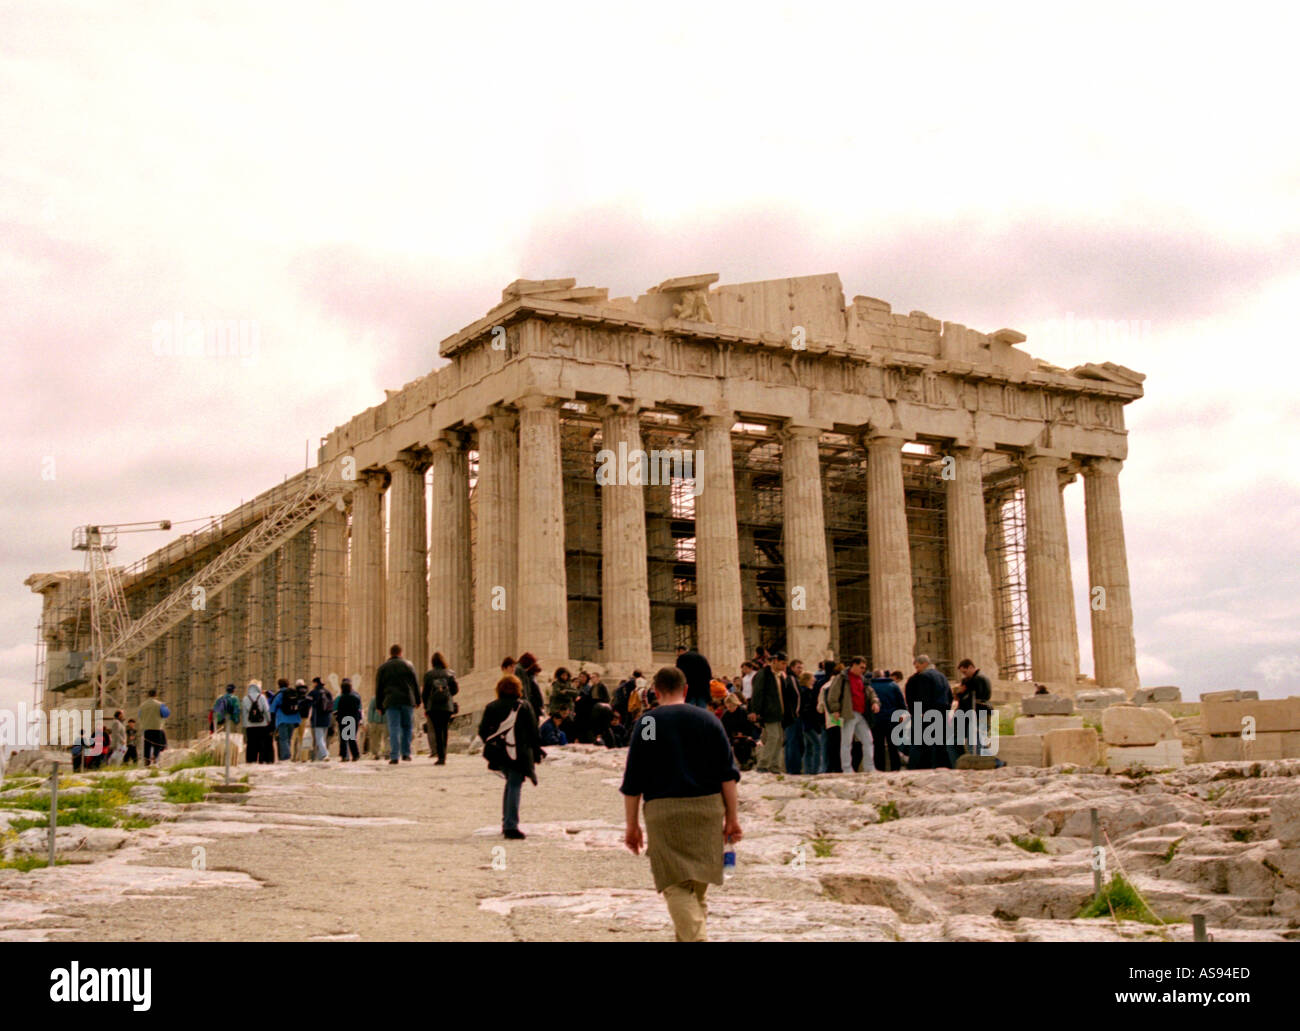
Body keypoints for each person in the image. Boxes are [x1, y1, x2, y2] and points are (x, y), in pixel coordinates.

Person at [620, 666, 742, 942]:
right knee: (695, 888)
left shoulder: (649, 723)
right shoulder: (708, 719)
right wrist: (732, 818)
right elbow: (727, 775)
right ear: (686, 690)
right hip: (707, 809)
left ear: (656, 692)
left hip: (665, 810)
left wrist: (632, 825)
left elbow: (635, 776)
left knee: (675, 885)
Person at [478, 674, 541, 839]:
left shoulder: (492, 706)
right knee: (514, 785)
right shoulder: (524, 706)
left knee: (510, 784)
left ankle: (507, 821)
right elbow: (534, 732)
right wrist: (536, 753)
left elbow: (483, 731)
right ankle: (510, 826)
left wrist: (495, 743)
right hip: (518, 753)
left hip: (500, 753)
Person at [825, 656, 879, 773]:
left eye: (864, 668)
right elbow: (833, 695)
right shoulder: (842, 678)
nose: (863, 670)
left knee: (868, 740)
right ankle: (847, 769)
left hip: (861, 714)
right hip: (848, 713)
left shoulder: (862, 679)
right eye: (861, 667)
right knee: (846, 742)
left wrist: (875, 702)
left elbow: (871, 693)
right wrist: (835, 710)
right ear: (854, 665)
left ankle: (869, 767)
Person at [905, 654, 954, 770]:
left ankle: (925, 766)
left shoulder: (924, 676)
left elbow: (924, 696)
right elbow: (949, 695)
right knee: (941, 742)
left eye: (917, 667)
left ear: (924, 664)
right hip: (943, 711)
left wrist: (921, 711)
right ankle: (944, 765)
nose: (917, 670)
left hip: (930, 711)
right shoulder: (942, 676)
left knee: (927, 741)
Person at [376, 644, 421, 764]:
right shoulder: (408, 665)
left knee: (394, 727)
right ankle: (406, 754)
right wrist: (418, 700)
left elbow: (379, 688)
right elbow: (415, 684)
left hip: (391, 701)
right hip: (407, 700)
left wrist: (379, 705)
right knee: (407, 727)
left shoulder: (383, 668)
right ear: (401, 653)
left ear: (390, 653)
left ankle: (394, 755)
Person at [748, 652, 788, 773]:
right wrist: (754, 710)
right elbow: (757, 693)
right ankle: (763, 764)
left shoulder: (780, 675)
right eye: (783, 663)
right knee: (773, 737)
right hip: (769, 711)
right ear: (775, 661)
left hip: (778, 711)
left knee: (779, 738)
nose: (785, 666)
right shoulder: (764, 674)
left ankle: (775, 765)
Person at [422, 652, 459, 764]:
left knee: (437, 731)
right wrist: (447, 695)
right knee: (445, 730)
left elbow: (425, 693)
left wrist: (425, 706)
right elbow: (455, 690)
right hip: (447, 706)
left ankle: (440, 757)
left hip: (433, 707)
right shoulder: (450, 673)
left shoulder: (429, 675)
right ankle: (444, 754)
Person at [954, 659, 993, 757]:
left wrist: (960, 693)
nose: (964, 675)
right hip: (981, 713)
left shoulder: (976, 679)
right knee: (980, 743)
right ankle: (995, 764)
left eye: (965, 672)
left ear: (971, 667)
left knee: (974, 745)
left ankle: (996, 764)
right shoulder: (980, 678)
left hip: (978, 714)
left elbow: (969, 699)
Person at [869, 669, 906, 771]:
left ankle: (880, 769)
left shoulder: (870, 686)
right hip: (892, 719)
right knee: (893, 746)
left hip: (876, 720)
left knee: (878, 746)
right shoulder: (893, 685)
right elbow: (901, 703)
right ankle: (895, 768)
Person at [796, 670, 826, 774]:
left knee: (809, 748)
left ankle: (808, 770)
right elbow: (809, 710)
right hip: (809, 724)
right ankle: (816, 770)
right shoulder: (807, 692)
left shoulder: (803, 691)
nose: (814, 680)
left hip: (805, 724)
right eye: (812, 678)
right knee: (817, 746)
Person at [721, 692, 759, 769]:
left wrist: (745, 734)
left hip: (745, 735)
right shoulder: (726, 715)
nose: (730, 708)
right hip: (733, 736)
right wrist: (731, 735)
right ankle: (743, 762)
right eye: (728, 707)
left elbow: (749, 726)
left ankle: (748, 760)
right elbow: (724, 728)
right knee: (736, 743)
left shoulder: (742, 712)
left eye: (731, 706)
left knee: (746, 742)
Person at [242, 681, 274, 764]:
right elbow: (266, 710)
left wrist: (245, 724)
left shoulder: (245, 698)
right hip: (262, 724)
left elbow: (244, 713)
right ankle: (262, 760)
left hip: (250, 725)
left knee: (251, 743)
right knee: (262, 743)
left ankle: (251, 760)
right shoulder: (262, 697)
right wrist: (269, 721)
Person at [782, 658, 804, 774]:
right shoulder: (792, 679)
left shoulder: (788, 678)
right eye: (798, 667)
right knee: (793, 742)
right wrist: (796, 712)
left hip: (789, 716)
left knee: (790, 742)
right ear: (792, 668)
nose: (800, 670)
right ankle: (794, 769)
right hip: (793, 716)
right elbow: (797, 696)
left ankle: (791, 768)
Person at [270, 679, 300, 761]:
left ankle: (286, 756)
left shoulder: (280, 694)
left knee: (283, 739)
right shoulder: (294, 693)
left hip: (282, 719)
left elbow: (272, 708)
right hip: (293, 719)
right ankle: (288, 754)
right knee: (289, 738)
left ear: (279, 685)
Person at [138, 689, 169, 767]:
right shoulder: (160, 704)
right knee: (158, 745)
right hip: (157, 728)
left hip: (146, 729)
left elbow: (140, 715)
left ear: (148, 695)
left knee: (147, 745)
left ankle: (147, 760)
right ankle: (155, 757)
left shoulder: (142, 705)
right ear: (156, 695)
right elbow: (166, 714)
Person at [334, 678, 363, 761]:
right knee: (352, 738)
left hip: (343, 719)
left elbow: (335, 710)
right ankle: (355, 755)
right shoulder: (356, 698)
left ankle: (344, 756)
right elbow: (359, 710)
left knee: (343, 738)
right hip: (353, 719)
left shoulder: (340, 698)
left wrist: (337, 718)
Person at [306, 678, 334, 761]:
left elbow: (307, 703)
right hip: (327, 718)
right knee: (323, 738)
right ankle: (320, 757)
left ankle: (325, 754)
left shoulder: (313, 692)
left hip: (317, 718)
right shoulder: (328, 692)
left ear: (315, 683)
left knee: (319, 738)